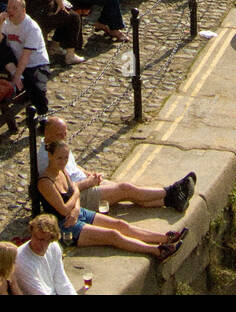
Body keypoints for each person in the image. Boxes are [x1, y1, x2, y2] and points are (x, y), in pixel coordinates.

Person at [36, 141, 183, 261]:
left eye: (66, 158)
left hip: (76, 212)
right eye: (59, 158)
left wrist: (75, 207)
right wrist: (75, 194)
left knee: (120, 224)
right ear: (50, 155)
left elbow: (75, 194)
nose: (63, 162)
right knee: (113, 235)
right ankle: (157, 251)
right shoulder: (45, 182)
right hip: (64, 226)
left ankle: (164, 238)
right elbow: (63, 209)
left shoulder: (63, 171)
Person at [37, 117, 195, 212]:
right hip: (78, 195)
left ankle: (171, 200)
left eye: (65, 132)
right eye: (59, 133)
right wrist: (89, 182)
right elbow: (66, 187)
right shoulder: (49, 157)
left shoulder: (57, 145)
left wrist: (89, 174)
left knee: (129, 192)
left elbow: (73, 166)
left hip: (87, 183)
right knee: (125, 189)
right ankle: (171, 191)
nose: (64, 136)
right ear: (47, 134)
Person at [0, 0, 51, 115]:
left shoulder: (31, 28)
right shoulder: (7, 22)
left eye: (14, 8)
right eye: (8, 8)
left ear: (23, 11)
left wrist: (16, 77)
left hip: (35, 63)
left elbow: (26, 56)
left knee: (35, 86)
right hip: (15, 59)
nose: (10, 11)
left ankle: (43, 114)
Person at [12, 216, 80, 295]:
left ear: (51, 239)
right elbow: (38, 292)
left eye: (42, 240)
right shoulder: (21, 260)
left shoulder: (54, 247)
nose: (37, 243)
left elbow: (62, 281)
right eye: (35, 237)